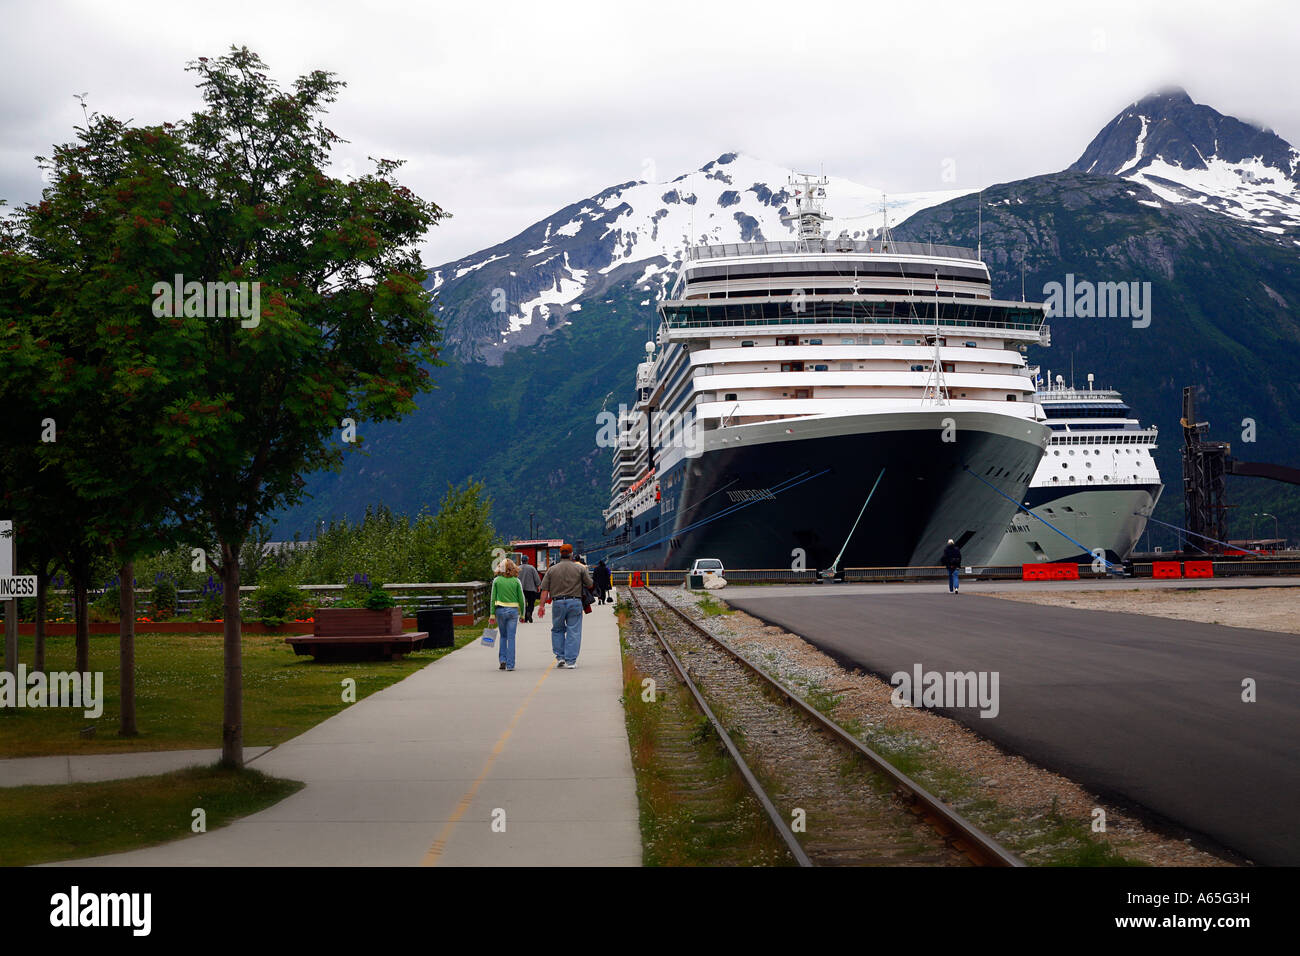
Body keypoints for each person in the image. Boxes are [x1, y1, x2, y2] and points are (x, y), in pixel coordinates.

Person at [537, 543, 594, 669]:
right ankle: (571, 660)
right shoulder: (580, 569)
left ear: (560, 554)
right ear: (571, 554)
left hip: (557, 602)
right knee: (573, 630)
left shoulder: (552, 570)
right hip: (575, 602)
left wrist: (541, 606)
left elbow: (544, 590)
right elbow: (590, 584)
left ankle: (560, 657)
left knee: (557, 629)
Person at [489, 559, 527, 671]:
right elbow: (522, 599)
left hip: (500, 610)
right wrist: (523, 614)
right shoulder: (516, 581)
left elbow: (493, 598)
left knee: (503, 636)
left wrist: (492, 614)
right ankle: (510, 665)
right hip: (513, 611)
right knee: (511, 637)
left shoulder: (496, 581)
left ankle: (502, 660)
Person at [518, 555, 542, 622]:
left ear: (521, 561)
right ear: (527, 560)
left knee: (523, 603)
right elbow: (536, 578)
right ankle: (529, 613)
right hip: (531, 589)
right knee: (531, 603)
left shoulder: (518, 568)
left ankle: (525, 616)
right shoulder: (532, 568)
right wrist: (538, 586)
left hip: (521, 589)